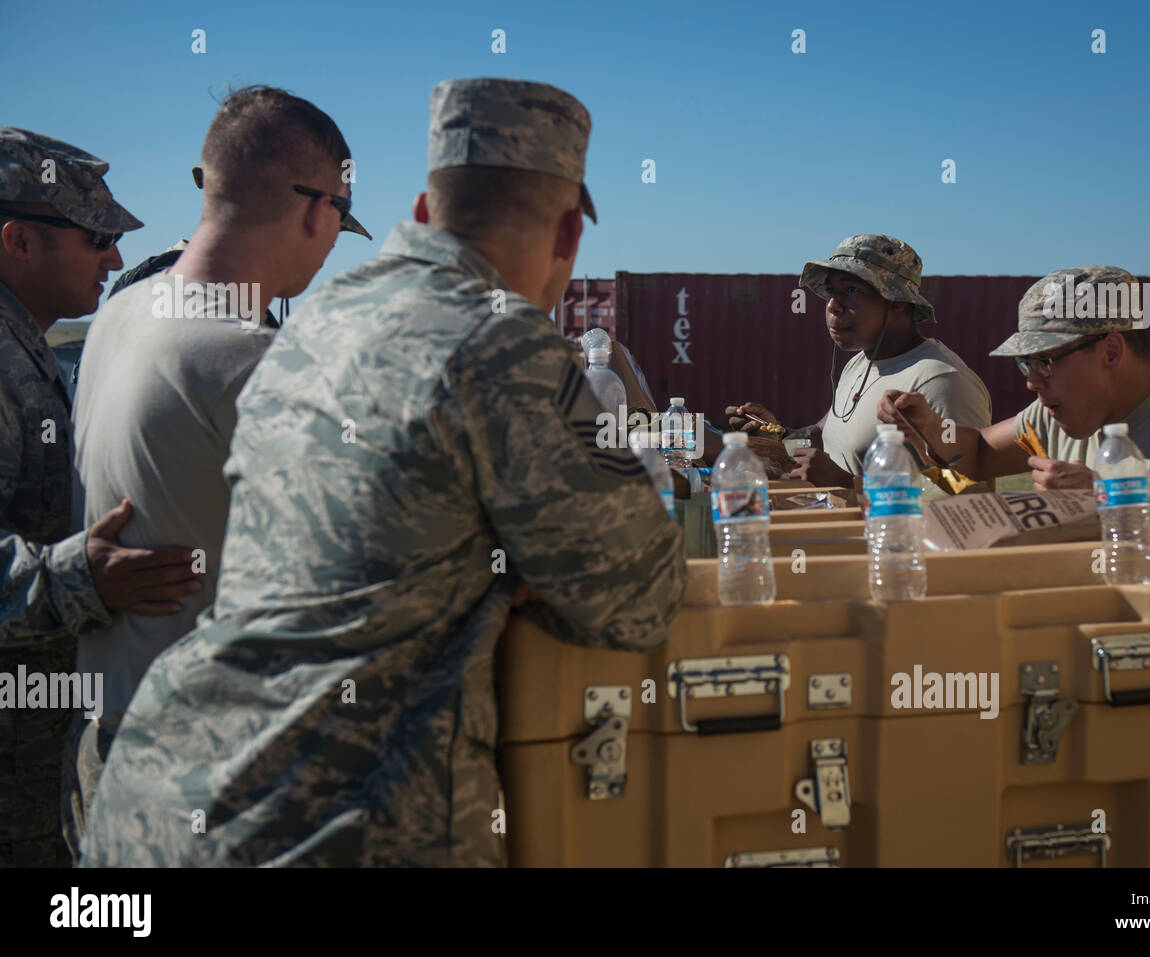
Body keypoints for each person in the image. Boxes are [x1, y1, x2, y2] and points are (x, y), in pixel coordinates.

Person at [81, 77, 686, 868]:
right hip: (330, 826)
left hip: (149, 804)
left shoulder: (312, 322)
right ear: (570, 231)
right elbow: (639, 601)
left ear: (425, 212)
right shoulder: (512, 348)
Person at [64, 87, 371, 855]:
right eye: (340, 216)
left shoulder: (122, 313)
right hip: (212, 777)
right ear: (314, 208)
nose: (336, 239)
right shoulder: (248, 361)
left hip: (113, 751)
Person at [0, 127, 200, 866]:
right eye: (94, 237)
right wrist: (74, 579)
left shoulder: (28, 345)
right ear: (18, 240)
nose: (115, 258)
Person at [879, 265, 1150, 571]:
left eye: (1046, 362)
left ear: (1112, 353)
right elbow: (980, 454)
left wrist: (1111, 505)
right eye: (1026, 364)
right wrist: (930, 428)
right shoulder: (1059, 412)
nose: (1032, 382)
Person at [726, 234, 991, 486]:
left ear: (897, 302)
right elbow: (825, 435)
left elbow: (969, 492)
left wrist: (850, 485)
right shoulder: (860, 363)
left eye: (852, 290)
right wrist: (776, 433)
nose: (832, 305)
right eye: (831, 291)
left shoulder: (940, 381)